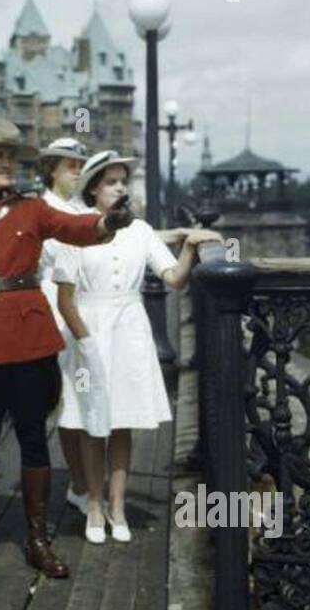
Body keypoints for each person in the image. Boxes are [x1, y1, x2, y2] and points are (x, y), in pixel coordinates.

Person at [0, 120, 133, 582]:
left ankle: (38, 539)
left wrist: (109, 222)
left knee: (31, 438)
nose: (5, 162)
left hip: (29, 341)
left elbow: (75, 227)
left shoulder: (31, 210)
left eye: (11, 155)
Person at [54, 149, 222, 544]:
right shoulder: (75, 229)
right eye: (111, 182)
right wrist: (86, 342)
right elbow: (64, 299)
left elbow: (175, 279)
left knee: (122, 423)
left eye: (122, 181)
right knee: (92, 424)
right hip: (88, 330)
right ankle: (93, 505)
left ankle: (117, 506)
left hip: (129, 330)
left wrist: (192, 245)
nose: (119, 188)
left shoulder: (141, 231)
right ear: (94, 188)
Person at [36, 137, 109, 517]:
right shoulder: (42, 208)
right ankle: (79, 483)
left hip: (82, 301)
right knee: (67, 399)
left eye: (81, 165)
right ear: (52, 169)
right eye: (70, 165)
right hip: (53, 302)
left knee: (84, 394)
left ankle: (86, 481)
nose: (78, 171)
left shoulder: (78, 208)